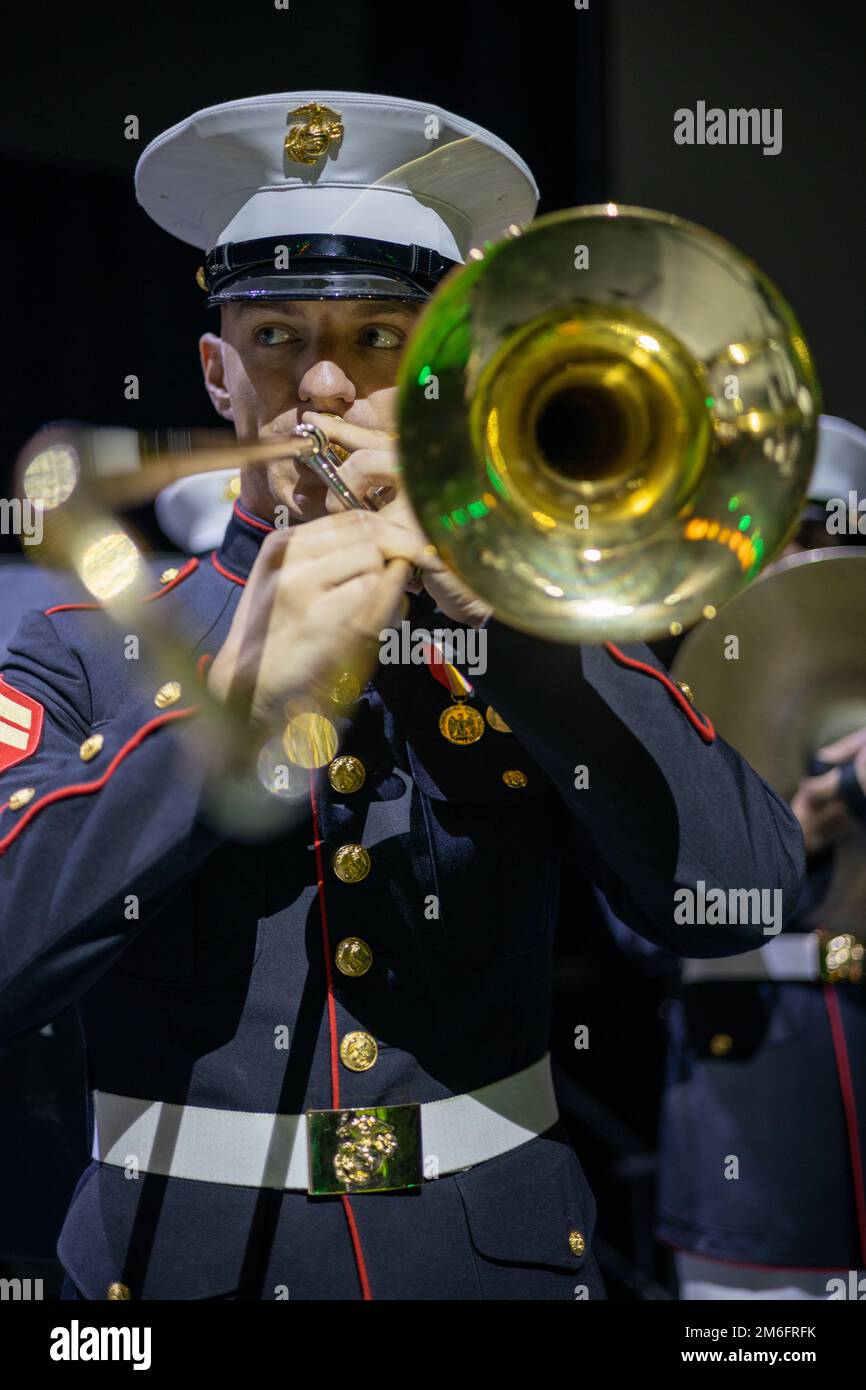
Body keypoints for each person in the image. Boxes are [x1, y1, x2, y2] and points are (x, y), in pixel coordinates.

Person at [0, 91, 805, 1301]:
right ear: (216, 376)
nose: (324, 383)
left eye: (380, 337)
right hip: (172, 1273)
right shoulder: (79, 641)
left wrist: (515, 626)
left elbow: (741, 895)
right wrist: (225, 705)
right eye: (276, 336)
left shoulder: (528, 620)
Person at [608, 416, 866, 1299]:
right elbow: (645, 932)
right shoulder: (677, 696)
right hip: (755, 1120)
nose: (805, 567)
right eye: (785, 542)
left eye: (828, 538)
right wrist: (809, 828)